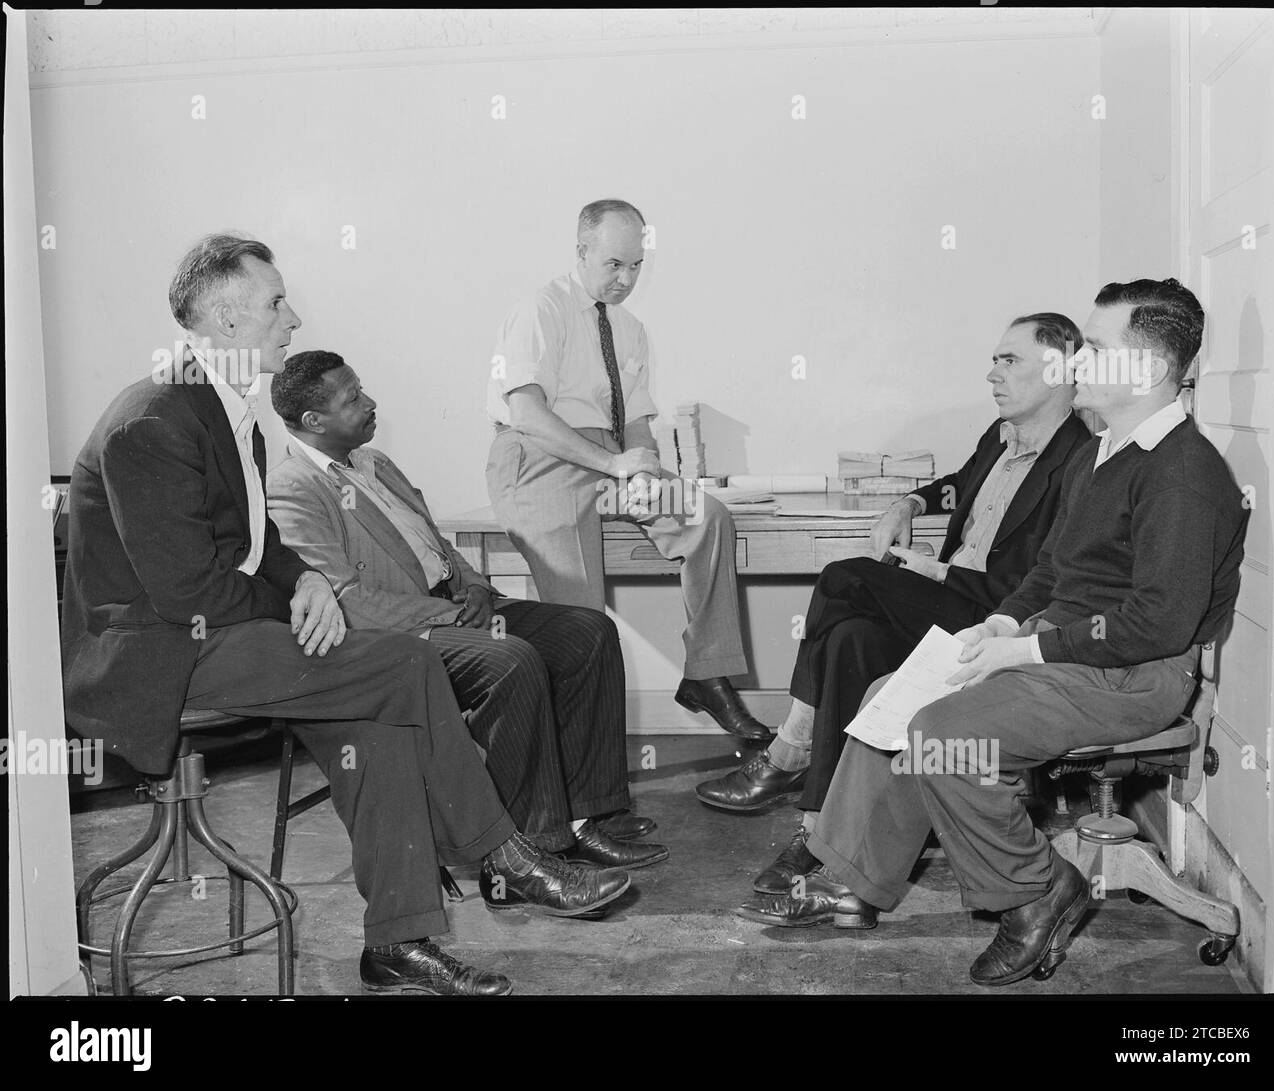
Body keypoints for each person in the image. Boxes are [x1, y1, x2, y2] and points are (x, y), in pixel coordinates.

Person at [61, 234, 631, 998]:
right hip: (163, 655)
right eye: (275, 302)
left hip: (219, 629)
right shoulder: (154, 420)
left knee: (380, 718)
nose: (292, 318)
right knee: (405, 660)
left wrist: (306, 583)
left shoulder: (228, 410)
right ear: (226, 324)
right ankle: (504, 853)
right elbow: (189, 593)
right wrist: (304, 599)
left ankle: (399, 941)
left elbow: (256, 547)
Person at [736, 278, 1248, 987]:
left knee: (944, 734)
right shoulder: (1106, 450)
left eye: (1094, 350)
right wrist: (1005, 621)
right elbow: (1049, 567)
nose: (1076, 365)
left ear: (1151, 371)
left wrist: (1026, 647)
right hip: (1070, 649)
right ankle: (851, 875)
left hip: (1136, 672)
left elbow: (1157, 623)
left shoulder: (1182, 475)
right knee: (892, 692)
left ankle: (1036, 887)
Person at [698, 315, 1091, 898]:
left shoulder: (1080, 461)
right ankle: (817, 833)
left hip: (990, 618)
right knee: (847, 638)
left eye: (1009, 361)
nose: (992, 374)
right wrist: (909, 500)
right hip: (947, 598)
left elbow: (1035, 581)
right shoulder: (1000, 433)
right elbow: (958, 483)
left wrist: (933, 569)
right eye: (995, 360)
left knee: (841, 578)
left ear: (1059, 370)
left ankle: (788, 750)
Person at [266, 350, 667, 869]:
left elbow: (435, 546)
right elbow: (346, 601)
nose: (370, 403)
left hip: (453, 607)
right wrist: (449, 617)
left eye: (362, 388)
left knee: (586, 631)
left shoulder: (373, 463)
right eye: (352, 398)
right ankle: (536, 847)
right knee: (510, 660)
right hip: (396, 636)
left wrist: (476, 587)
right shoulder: (294, 487)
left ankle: (588, 813)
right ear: (313, 422)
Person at [484, 198, 770, 742]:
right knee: (581, 619)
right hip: (540, 457)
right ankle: (586, 778)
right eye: (614, 264)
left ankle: (708, 675)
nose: (626, 278)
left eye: (637, 265)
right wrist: (613, 462)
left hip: (608, 460)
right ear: (581, 251)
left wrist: (639, 469)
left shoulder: (631, 329)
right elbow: (526, 412)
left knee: (705, 518)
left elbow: (637, 418)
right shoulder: (539, 309)